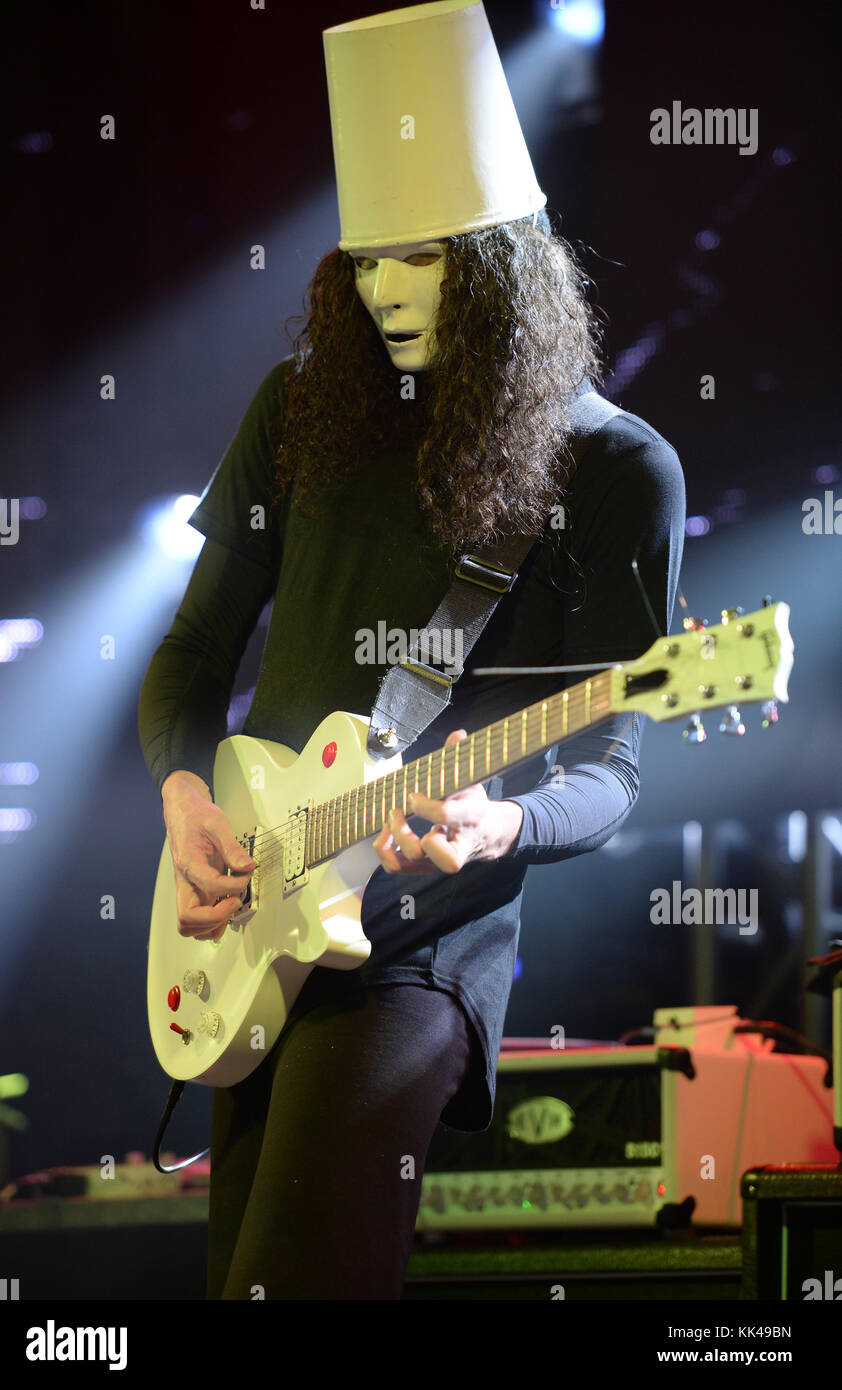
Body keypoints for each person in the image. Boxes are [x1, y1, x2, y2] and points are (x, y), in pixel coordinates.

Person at [137, 0, 685, 1299]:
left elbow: (615, 764)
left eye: (423, 259)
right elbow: (194, 647)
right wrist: (183, 795)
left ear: (500, 262)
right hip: (249, 918)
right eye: (364, 260)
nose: (383, 289)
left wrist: (500, 825)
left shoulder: (614, 468)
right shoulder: (299, 407)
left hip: (419, 949)